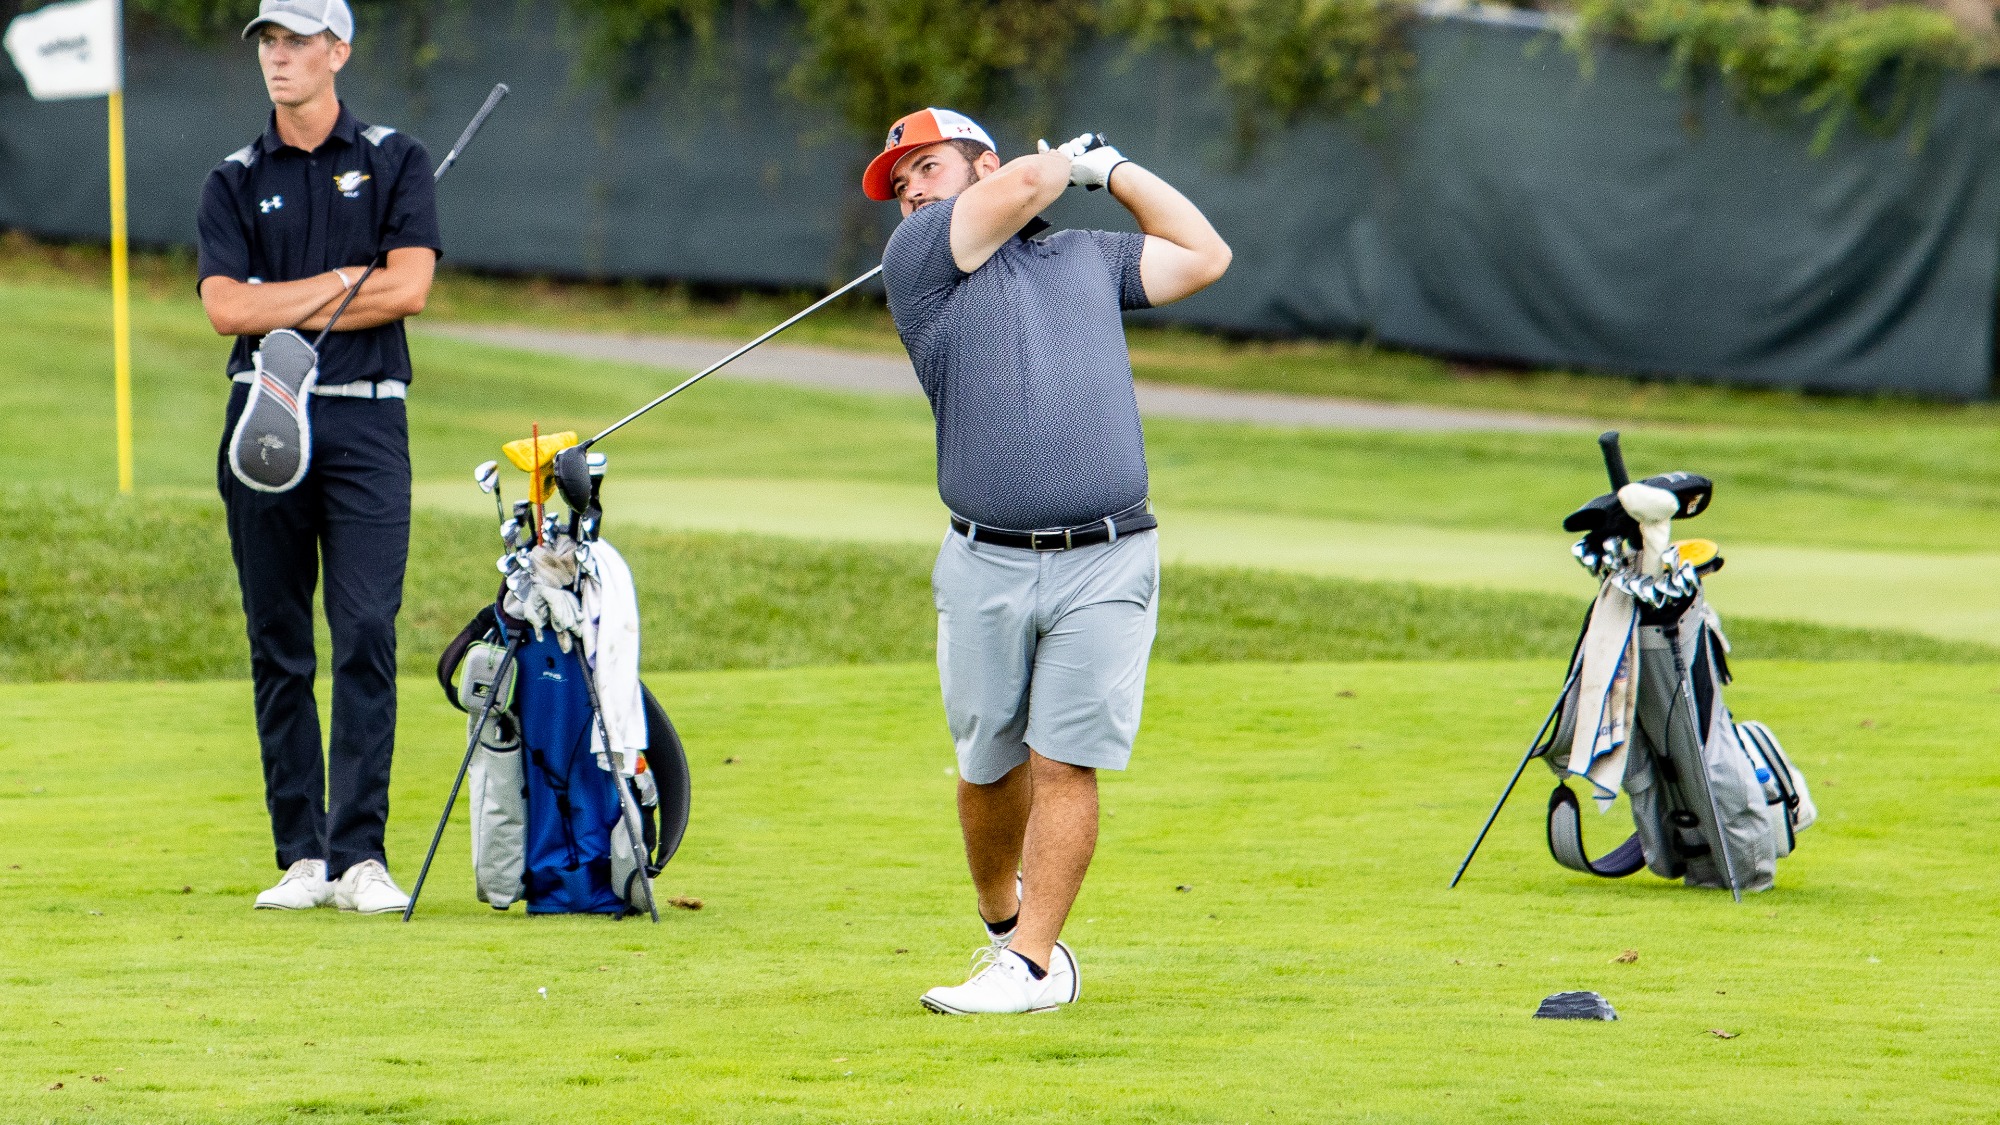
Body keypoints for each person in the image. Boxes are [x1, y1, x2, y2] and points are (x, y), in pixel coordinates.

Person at [868, 108, 1231, 1013]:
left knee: (1066, 759)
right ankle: (1003, 920)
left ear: (980, 162)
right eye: (898, 179)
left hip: (1109, 554)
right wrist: (1061, 165)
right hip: (985, 560)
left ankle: (1035, 965)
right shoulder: (918, 263)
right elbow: (1029, 185)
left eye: (927, 166)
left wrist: (1113, 171)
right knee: (989, 766)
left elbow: (1203, 255)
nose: (910, 187)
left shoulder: (1087, 260)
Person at [195, 0, 441, 914]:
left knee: (367, 630)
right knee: (278, 640)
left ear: (338, 50)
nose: (279, 58)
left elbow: (408, 286)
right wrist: (344, 282)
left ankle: (360, 853)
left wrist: (283, 296)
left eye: (297, 41)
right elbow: (225, 309)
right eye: (268, 41)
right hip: (263, 419)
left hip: (368, 422)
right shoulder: (232, 178)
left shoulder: (395, 160)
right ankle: (302, 853)